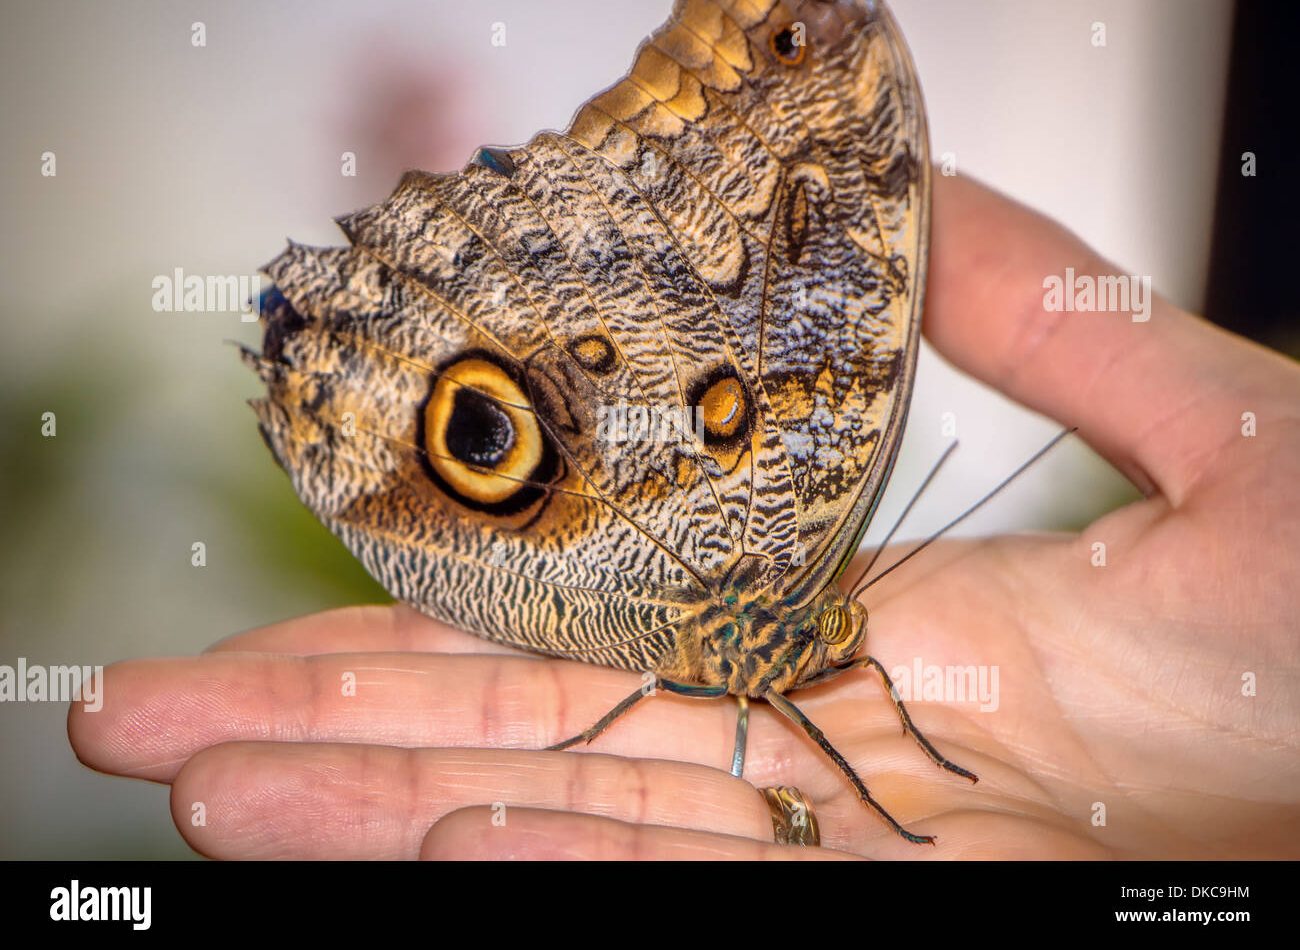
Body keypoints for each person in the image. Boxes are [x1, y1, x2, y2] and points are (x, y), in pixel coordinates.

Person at [67, 174, 1300, 859]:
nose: (837, 638)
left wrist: (898, 777)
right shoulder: (764, 565)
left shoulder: (804, 639)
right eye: (825, 633)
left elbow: (840, 659)